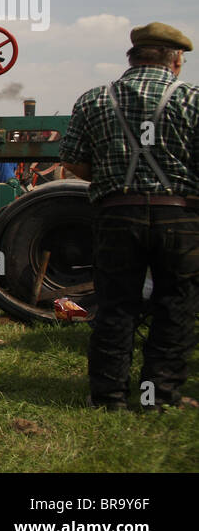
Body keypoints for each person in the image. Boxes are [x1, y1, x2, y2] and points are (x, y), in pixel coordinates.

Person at [59, 22, 199, 412]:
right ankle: (160, 398)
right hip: (180, 217)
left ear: (133, 57)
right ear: (174, 59)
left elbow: (71, 159)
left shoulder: (95, 99)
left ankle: (108, 399)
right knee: (176, 306)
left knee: (116, 305)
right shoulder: (192, 98)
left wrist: (111, 176)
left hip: (118, 215)